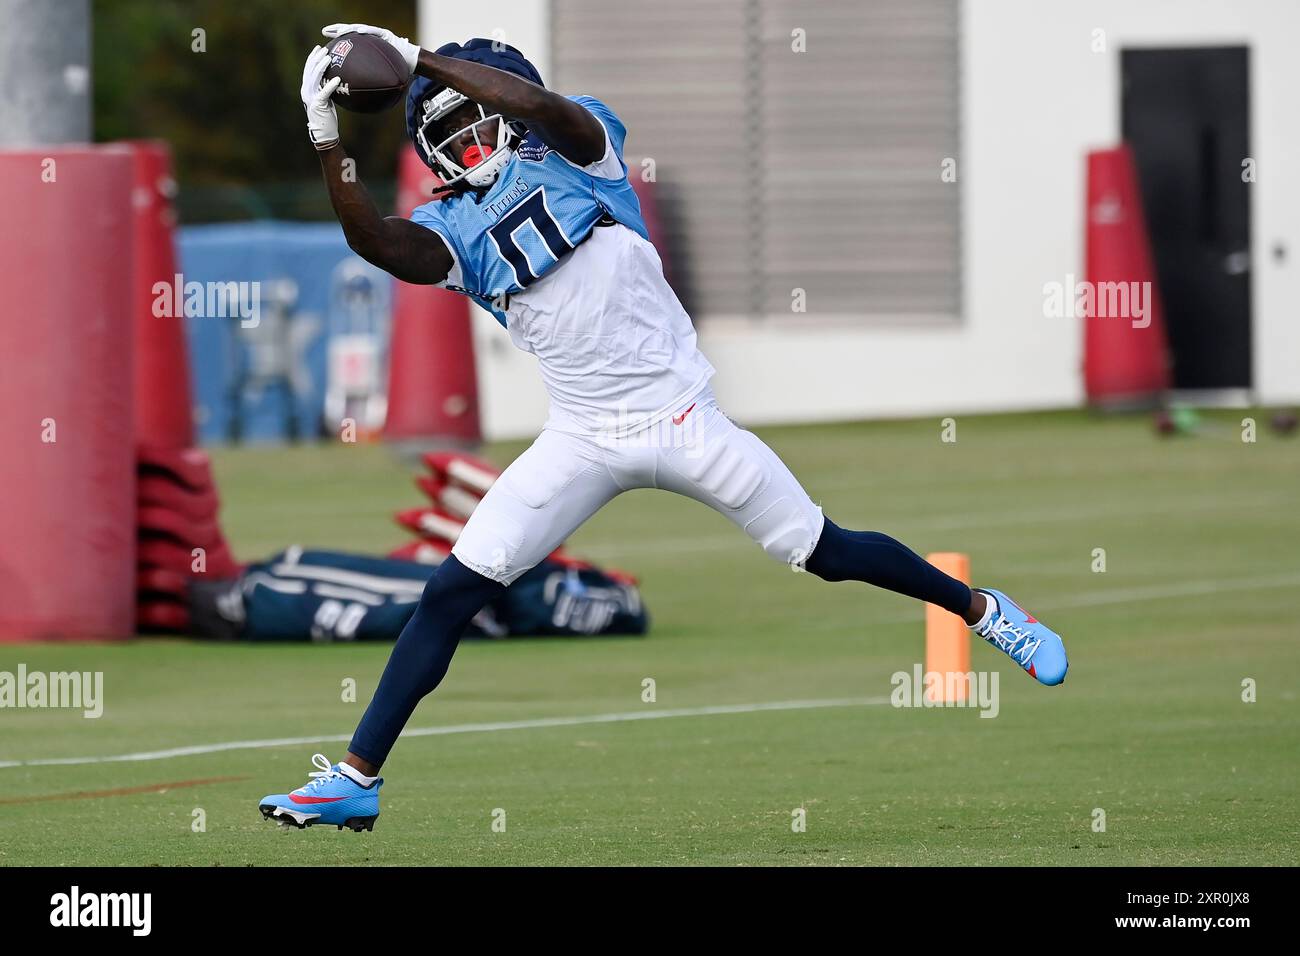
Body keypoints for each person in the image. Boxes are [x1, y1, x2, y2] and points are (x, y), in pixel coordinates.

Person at [259, 23, 1068, 832]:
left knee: (823, 550)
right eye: (450, 134)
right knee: (449, 594)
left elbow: (545, 106)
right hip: (581, 435)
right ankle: (357, 779)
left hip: (685, 418)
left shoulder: (580, 150)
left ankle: (982, 611)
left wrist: (422, 62)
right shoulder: (457, 230)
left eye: (476, 117)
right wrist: (326, 141)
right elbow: (381, 244)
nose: (469, 142)